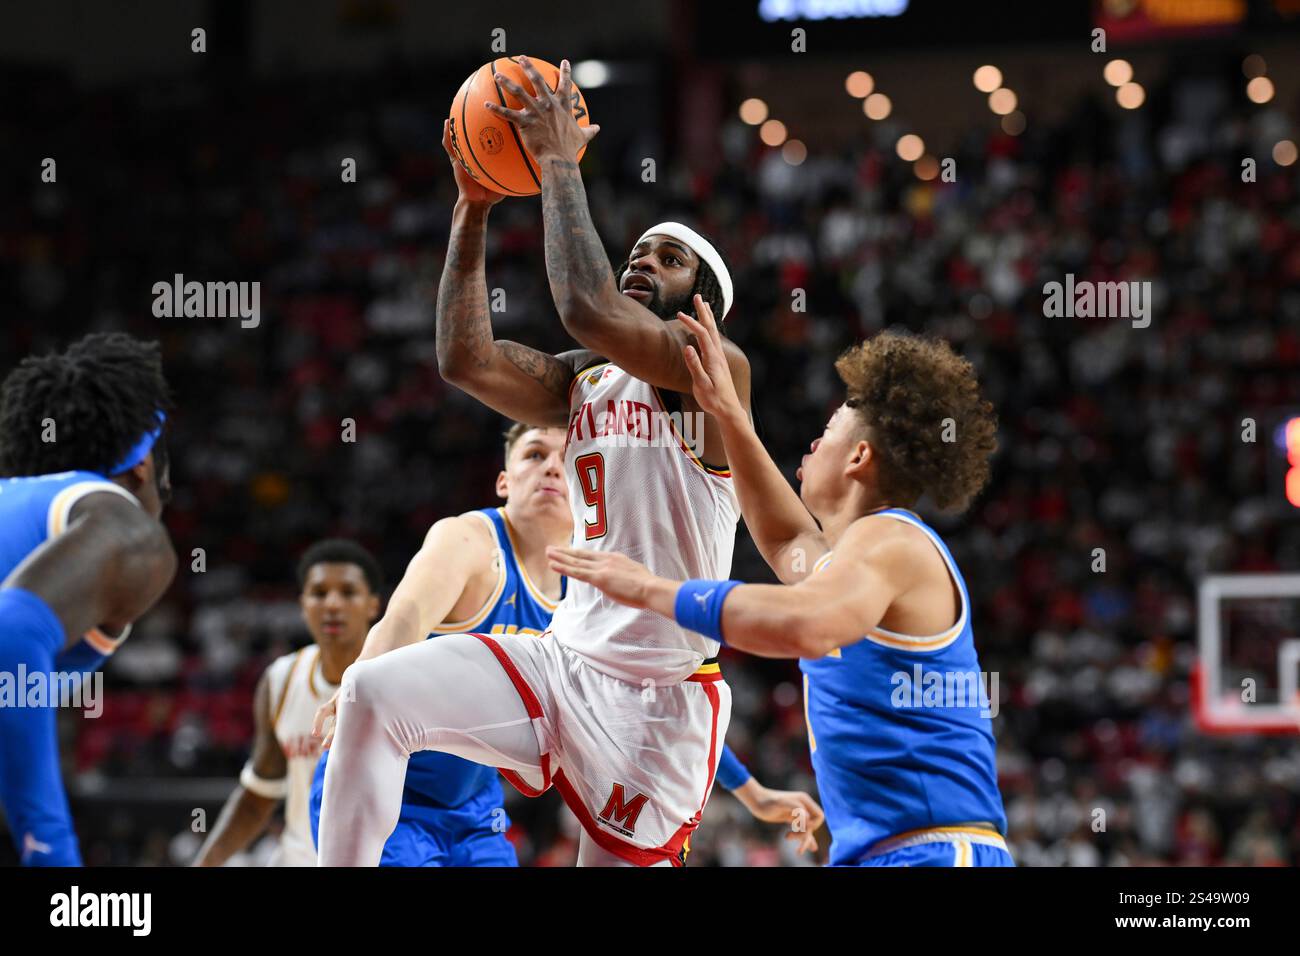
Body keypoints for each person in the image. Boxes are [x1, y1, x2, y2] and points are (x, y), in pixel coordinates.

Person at [315, 56, 761, 866]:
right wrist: (473, 207)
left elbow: (585, 304)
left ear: (706, 300)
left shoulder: (714, 371)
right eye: (639, 250)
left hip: (657, 700)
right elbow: (465, 360)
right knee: (373, 693)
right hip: (563, 659)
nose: (641, 262)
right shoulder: (584, 380)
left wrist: (557, 158)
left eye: (669, 258)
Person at [548, 302, 1013, 867]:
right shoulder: (849, 562)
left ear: (860, 456)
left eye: (826, 433)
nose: (810, 446)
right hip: (887, 852)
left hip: (935, 850)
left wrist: (653, 591)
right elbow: (783, 541)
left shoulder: (890, 540)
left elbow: (804, 624)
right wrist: (728, 416)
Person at [0, 332, 177, 866]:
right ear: (145, 464)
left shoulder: (18, 504)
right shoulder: (128, 529)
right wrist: (50, 849)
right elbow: (11, 629)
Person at [193, 539, 382, 867]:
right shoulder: (280, 680)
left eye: (348, 592)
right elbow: (258, 796)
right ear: (302, 604)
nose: (332, 604)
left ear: (373, 605)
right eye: (319, 593)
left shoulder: (397, 675)